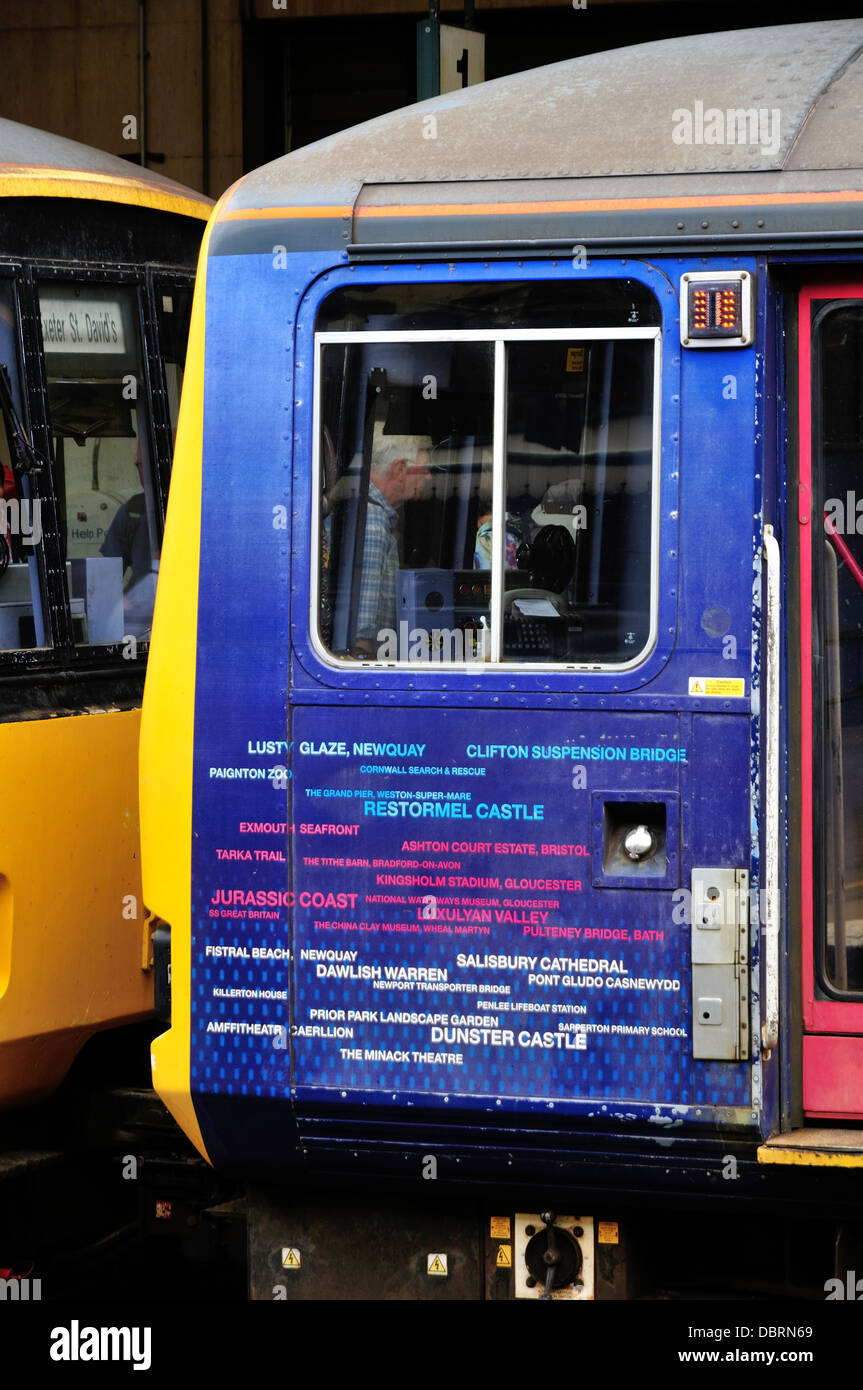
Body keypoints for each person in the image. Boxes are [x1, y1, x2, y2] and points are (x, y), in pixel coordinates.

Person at [351, 433, 433, 656]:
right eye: (424, 469)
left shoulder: (364, 510)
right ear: (400, 470)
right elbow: (363, 629)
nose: (428, 478)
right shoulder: (373, 518)